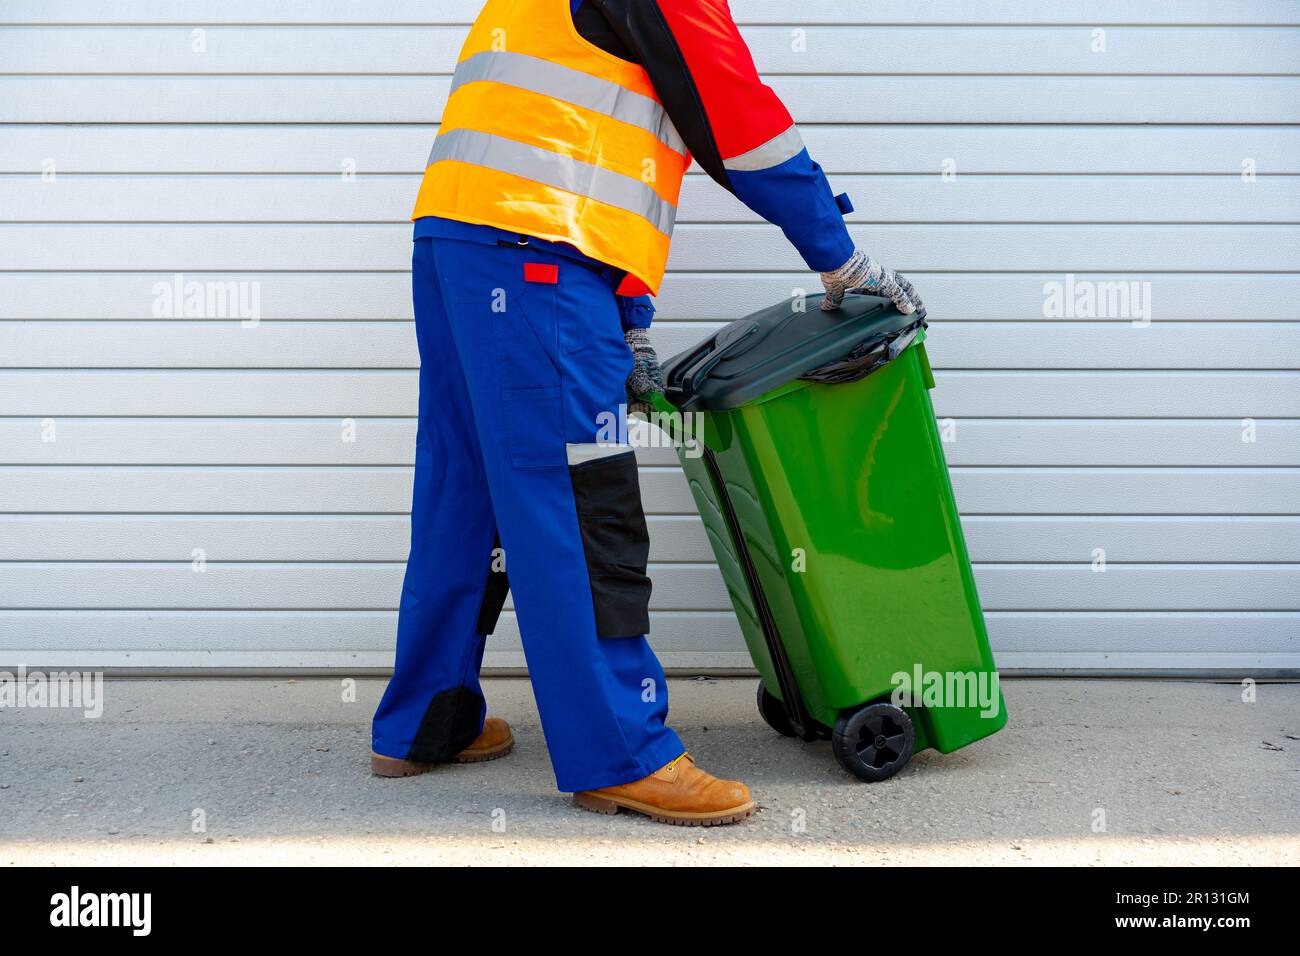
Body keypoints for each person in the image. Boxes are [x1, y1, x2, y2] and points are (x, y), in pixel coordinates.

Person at [370, 0, 925, 826]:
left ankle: (425, 720)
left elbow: (602, 150)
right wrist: (840, 257)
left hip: (461, 244)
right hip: (540, 259)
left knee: (466, 492)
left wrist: (627, 317)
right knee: (580, 503)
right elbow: (737, 123)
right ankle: (620, 751)